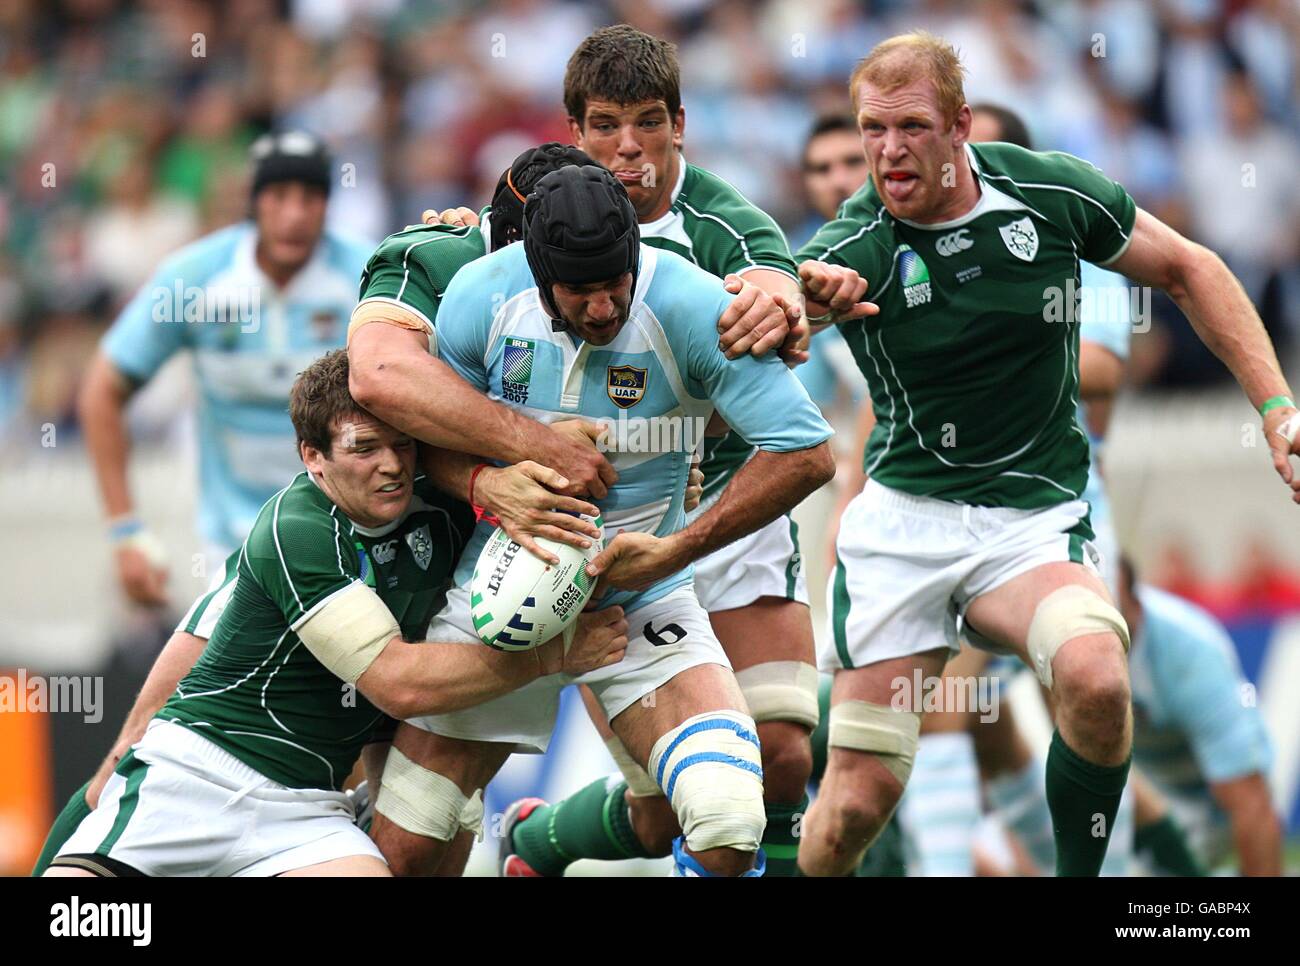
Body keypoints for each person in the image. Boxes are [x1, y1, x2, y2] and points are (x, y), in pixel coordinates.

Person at [795, 31, 1299, 878]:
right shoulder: (856, 244)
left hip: (1031, 521)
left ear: (960, 127)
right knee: (851, 808)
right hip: (903, 531)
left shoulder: (1049, 194)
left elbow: (1189, 269)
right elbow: (776, 301)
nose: (885, 151)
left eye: (909, 126)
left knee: (1098, 677)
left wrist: (1278, 407)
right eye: (870, 129)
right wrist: (788, 303)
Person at [369, 164, 834, 878]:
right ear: (535, 269)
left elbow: (806, 452)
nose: (600, 306)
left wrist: (674, 551)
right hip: (498, 595)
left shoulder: (689, 303)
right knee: (405, 854)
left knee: (730, 822)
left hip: (640, 600)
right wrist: (488, 481)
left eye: (613, 283)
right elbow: (423, 439)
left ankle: (539, 842)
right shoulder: (479, 296)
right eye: (578, 293)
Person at [43, 350, 628, 877]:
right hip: (197, 778)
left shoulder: (443, 511)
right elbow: (396, 682)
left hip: (304, 808)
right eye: (363, 448)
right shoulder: (294, 530)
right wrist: (555, 656)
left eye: (401, 444)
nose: (391, 465)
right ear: (313, 457)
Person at [499, 24, 828, 878]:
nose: (628, 147)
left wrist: (783, 296)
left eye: (648, 121)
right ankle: (536, 844)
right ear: (574, 131)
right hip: (610, 534)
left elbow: (769, 277)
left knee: (784, 757)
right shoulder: (537, 222)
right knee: (667, 806)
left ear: (681, 122)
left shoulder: (725, 223)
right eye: (606, 124)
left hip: (729, 515)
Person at [78, 131, 374, 605]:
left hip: (353, 532)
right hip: (232, 542)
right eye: (279, 196)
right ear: (253, 203)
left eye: (310, 197)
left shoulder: (368, 274)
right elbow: (102, 390)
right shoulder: (193, 279)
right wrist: (126, 531)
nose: (294, 214)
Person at [1118, 558, 1282, 875]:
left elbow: (1250, 800)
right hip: (1128, 791)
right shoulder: (1057, 624)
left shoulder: (1190, 651)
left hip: (1198, 804)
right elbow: (992, 689)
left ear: (1131, 597)